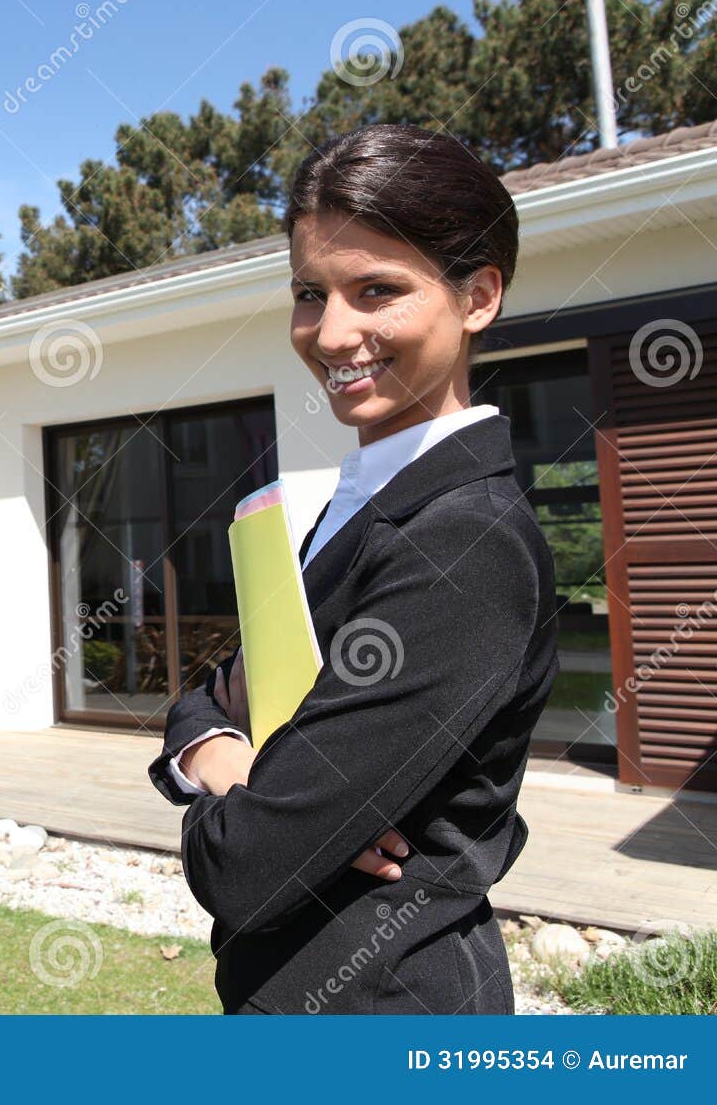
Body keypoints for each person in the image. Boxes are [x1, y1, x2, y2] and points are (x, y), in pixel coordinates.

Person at [147, 123, 559, 1014]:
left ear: (478, 295)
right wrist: (224, 754)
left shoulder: (465, 542)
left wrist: (234, 774)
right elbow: (208, 697)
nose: (331, 334)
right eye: (308, 292)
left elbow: (246, 865)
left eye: (377, 290)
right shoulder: (354, 504)